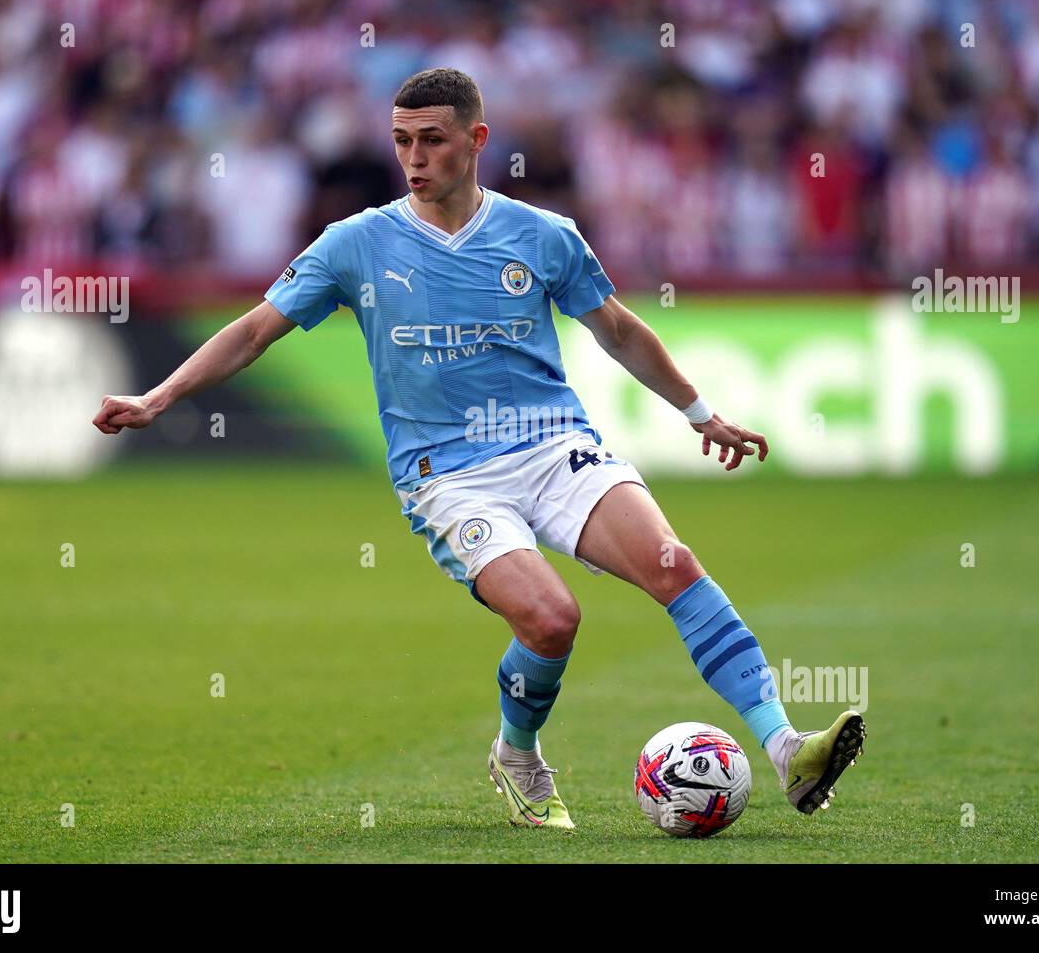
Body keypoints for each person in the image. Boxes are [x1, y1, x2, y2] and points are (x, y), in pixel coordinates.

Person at [93, 68, 865, 830]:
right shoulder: (356, 244)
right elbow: (253, 330)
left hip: (553, 446)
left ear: (476, 139)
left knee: (675, 564)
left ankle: (786, 746)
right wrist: (157, 397)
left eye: (432, 139)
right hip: (447, 477)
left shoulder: (543, 235)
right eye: (402, 142)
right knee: (552, 620)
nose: (415, 157)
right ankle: (517, 751)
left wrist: (701, 412)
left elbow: (620, 330)